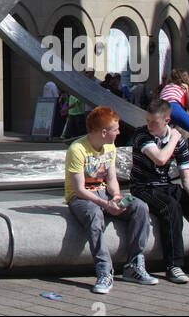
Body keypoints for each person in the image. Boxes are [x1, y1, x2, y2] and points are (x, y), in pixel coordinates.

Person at [130, 99, 189, 282]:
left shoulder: (179, 142)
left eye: (154, 122)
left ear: (167, 120)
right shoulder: (142, 135)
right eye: (148, 120)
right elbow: (160, 159)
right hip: (144, 187)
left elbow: (185, 177)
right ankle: (174, 265)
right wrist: (174, 138)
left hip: (166, 185)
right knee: (170, 207)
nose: (149, 125)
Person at [65, 105, 155, 294]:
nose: (119, 132)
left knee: (139, 207)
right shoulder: (77, 149)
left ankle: (134, 265)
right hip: (82, 197)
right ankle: (104, 271)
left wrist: (115, 197)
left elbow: (112, 179)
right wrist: (105, 204)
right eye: (116, 129)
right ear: (104, 132)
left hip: (105, 193)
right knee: (94, 214)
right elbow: (79, 189)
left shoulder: (110, 146)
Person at [158, 71, 189, 164]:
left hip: (161, 110)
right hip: (174, 108)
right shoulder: (183, 86)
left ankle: (160, 158)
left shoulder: (165, 87)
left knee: (162, 136)